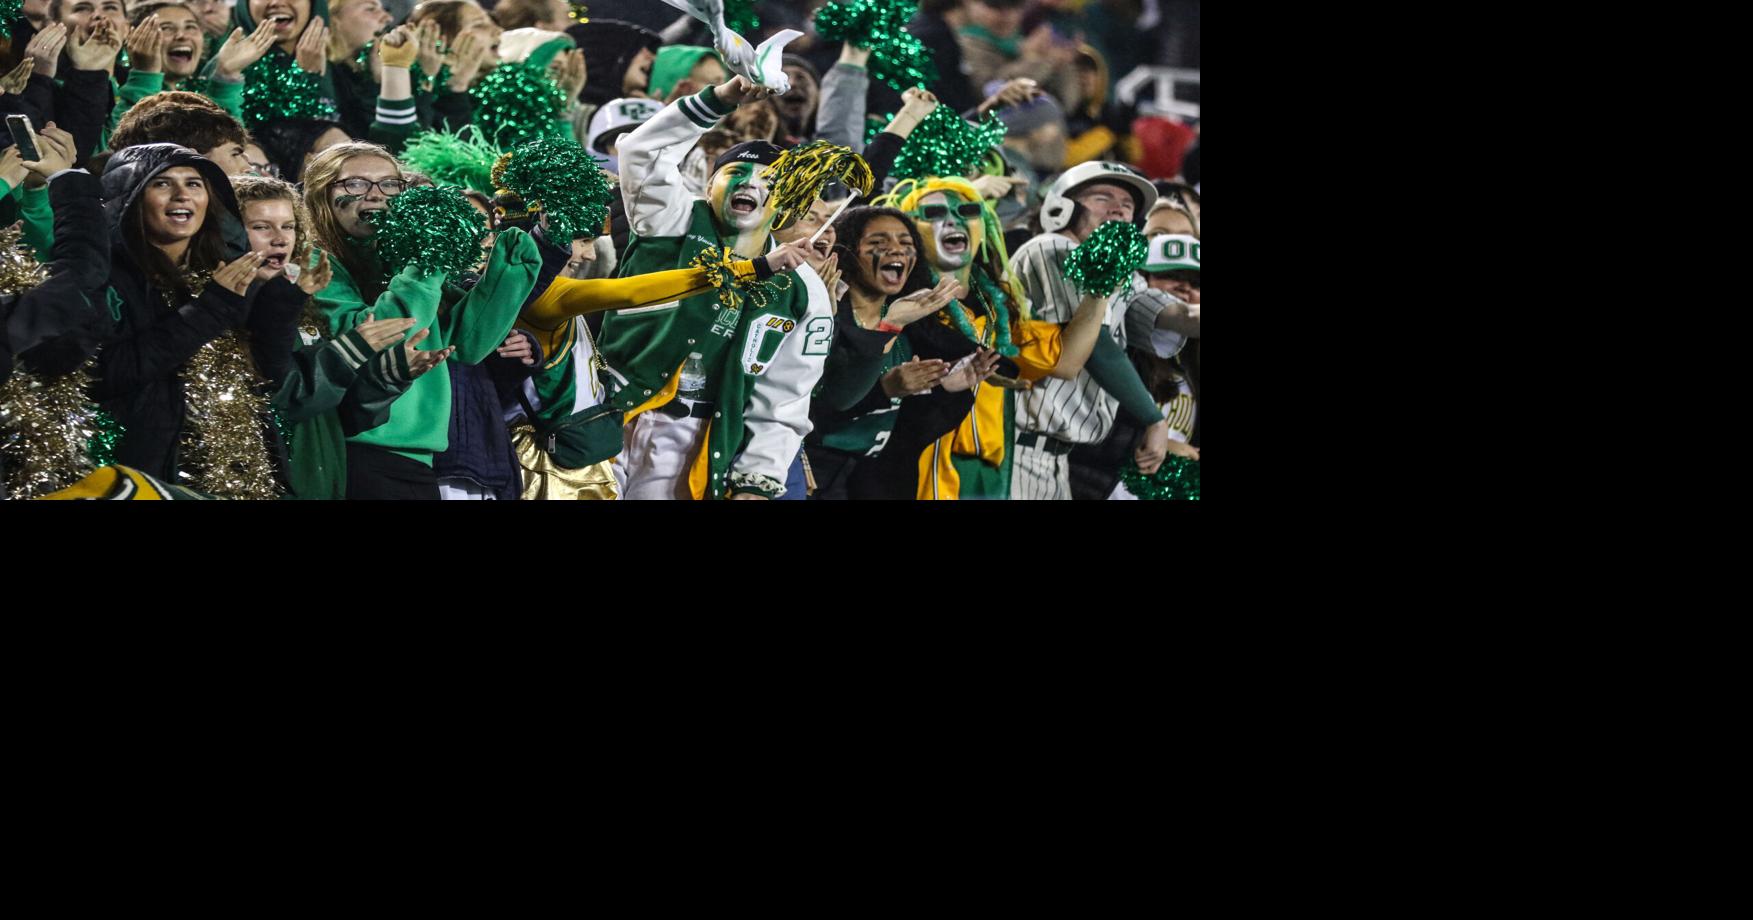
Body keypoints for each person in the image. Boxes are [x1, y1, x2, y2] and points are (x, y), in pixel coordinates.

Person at [595, 74, 828, 500]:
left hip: (692, 442)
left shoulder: (802, 289)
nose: (751, 185)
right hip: (603, 416)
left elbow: (785, 396)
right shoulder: (673, 220)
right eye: (737, 172)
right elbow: (638, 150)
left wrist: (757, 479)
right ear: (707, 185)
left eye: (770, 182)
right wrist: (720, 99)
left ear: (786, 205)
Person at [302, 139, 540, 499]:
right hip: (356, 452)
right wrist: (427, 263)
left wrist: (511, 271)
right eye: (355, 184)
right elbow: (379, 337)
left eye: (389, 184)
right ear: (321, 195)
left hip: (422, 456)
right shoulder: (312, 263)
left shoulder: (402, 261)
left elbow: (467, 345)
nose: (375, 195)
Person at [89, 142, 296, 495]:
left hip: (239, 474)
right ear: (131, 198)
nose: (182, 195)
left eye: (194, 184)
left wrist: (285, 297)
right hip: (149, 478)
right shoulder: (105, 278)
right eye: (162, 183)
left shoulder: (222, 273)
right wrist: (209, 308)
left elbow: (271, 378)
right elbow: (106, 373)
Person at [1008, 159, 1174, 500]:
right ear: (1062, 207)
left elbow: (1178, 315)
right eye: (1103, 197)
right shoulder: (1052, 247)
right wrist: (1153, 419)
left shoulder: (1123, 276)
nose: (1118, 209)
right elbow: (1093, 348)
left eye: (1128, 205)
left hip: (1053, 460)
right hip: (1018, 451)